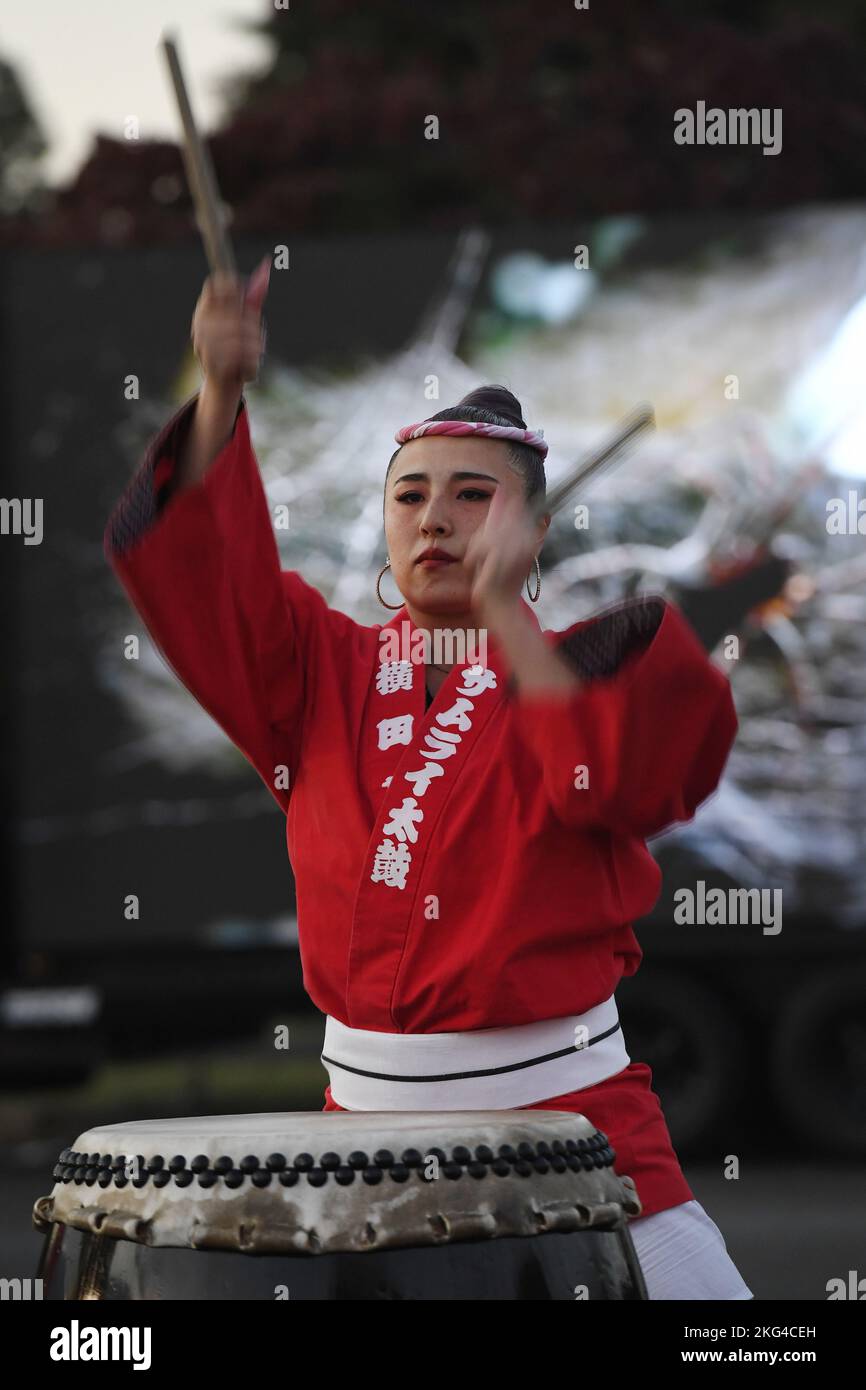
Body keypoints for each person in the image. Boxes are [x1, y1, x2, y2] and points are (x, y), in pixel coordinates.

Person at [103, 263, 753, 1301]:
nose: (434, 518)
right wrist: (221, 393)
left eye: (471, 495)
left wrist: (504, 622)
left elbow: (614, 783)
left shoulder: (600, 658)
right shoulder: (320, 674)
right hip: (358, 1153)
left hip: (579, 1133)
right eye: (410, 496)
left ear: (533, 532)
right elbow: (200, 578)